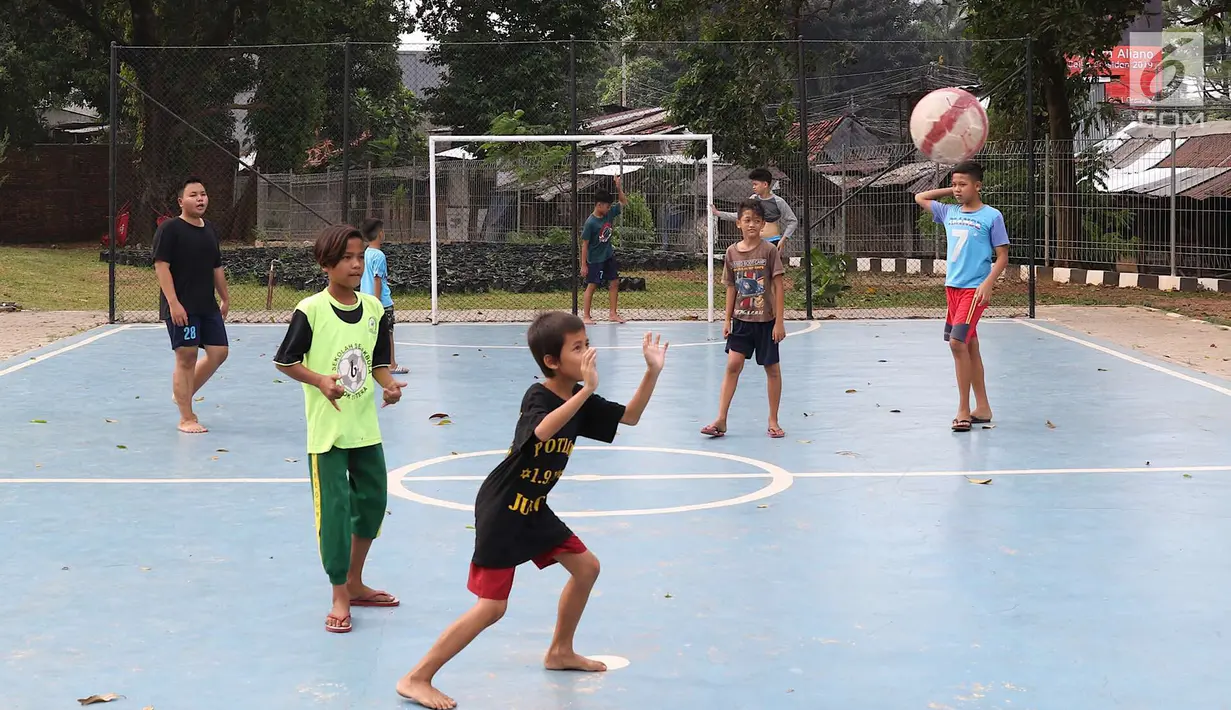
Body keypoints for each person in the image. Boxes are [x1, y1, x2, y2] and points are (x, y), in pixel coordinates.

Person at [395, 311, 669, 710]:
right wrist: (585, 391)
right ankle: (416, 677)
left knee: (586, 568)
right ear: (551, 361)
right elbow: (542, 431)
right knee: (492, 607)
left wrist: (652, 371)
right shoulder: (539, 396)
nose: (588, 351)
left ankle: (560, 651)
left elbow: (630, 416)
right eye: (577, 347)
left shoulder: (580, 397)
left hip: (533, 508)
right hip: (503, 509)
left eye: (586, 342)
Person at [272, 224, 408, 634]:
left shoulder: (373, 309)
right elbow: (285, 360)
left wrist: (388, 385)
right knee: (334, 512)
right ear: (326, 263)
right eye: (347, 257)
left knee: (371, 501)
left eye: (359, 256)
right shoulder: (310, 309)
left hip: (365, 428)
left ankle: (355, 580)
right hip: (327, 433)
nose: (355, 264)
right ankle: (338, 592)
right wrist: (319, 381)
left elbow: (378, 362)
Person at [913, 160, 1010, 432]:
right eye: (954, 184)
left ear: (978, 186)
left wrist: (989, 282)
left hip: (974, 289)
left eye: (963, 184)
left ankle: (963, 409)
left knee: (957, 344)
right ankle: (983, 407)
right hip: (952, 288)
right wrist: (952, 189)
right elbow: (920, 196)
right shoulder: (948, 212)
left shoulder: (992, 216)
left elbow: (1002, 256)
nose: (957, 189)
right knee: (969, 346)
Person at [701, 199, 787, 439]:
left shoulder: (769, 251)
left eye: (756, 221)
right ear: (739, 223)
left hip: (766, 322)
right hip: (741, 322)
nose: (752, 224)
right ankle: (721, 419)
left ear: (762, 225)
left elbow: (779, 287)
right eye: (747, 220)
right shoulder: (731, 252)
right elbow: (731, 288)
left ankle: (773, 420)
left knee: (772, 369)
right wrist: (726, 319)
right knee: (733, 365)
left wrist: (779, 322)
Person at [152, 176, 231, 434]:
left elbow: (216, 267)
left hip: (206, 305)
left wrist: (225, 297)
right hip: (182, 306)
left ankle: (183, 393)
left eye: (203, 193)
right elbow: (161, 267)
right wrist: (174, 304)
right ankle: (186, 417)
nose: (200, 198)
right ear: (181, 201)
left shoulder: (210, 229)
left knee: (219, 352)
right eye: (194, 194)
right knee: (186, 356)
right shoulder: (170, 229)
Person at [359, 217, 408, 374]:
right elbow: (377, 279)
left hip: (365, 299)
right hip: (381, 302)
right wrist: (377, 302)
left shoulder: (366, 253)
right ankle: (391, 364)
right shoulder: (379, 255)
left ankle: (369, 362)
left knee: (370, 333)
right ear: (380, 234)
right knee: (388, 333)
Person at [711, 167, 798, 253]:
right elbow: (740, 216)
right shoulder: (753, 199)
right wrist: (718, 213)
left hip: (773, 242)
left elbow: (793, 221)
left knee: (770, 266)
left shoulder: (778, 201)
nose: (753, 187)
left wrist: (784, 239)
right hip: (755, 241)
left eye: (755, 184)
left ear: (765, 185)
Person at [581, 176, 628, 324]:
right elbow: (584, 244)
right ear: (599, 205)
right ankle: (586, 316)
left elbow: (623, 202)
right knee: (592, 285)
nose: (609, 208)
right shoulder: (591, 223)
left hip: (608, 256)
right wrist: (583, 264)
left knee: (614, 282)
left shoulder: (608, 214)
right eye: (607, 206)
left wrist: (618, 187)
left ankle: (613, 314)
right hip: (595, 259)